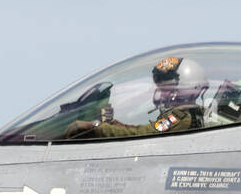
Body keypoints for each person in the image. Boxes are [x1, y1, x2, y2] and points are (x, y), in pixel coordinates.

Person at [63, 56, 209, 139]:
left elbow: (144, 134)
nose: (162, 94)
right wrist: (115, 124)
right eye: (161, 89)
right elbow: (146, 129)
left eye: (167, 89)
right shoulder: (193, 114)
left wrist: (97, 128)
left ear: (189, 88)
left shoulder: (180, 117)